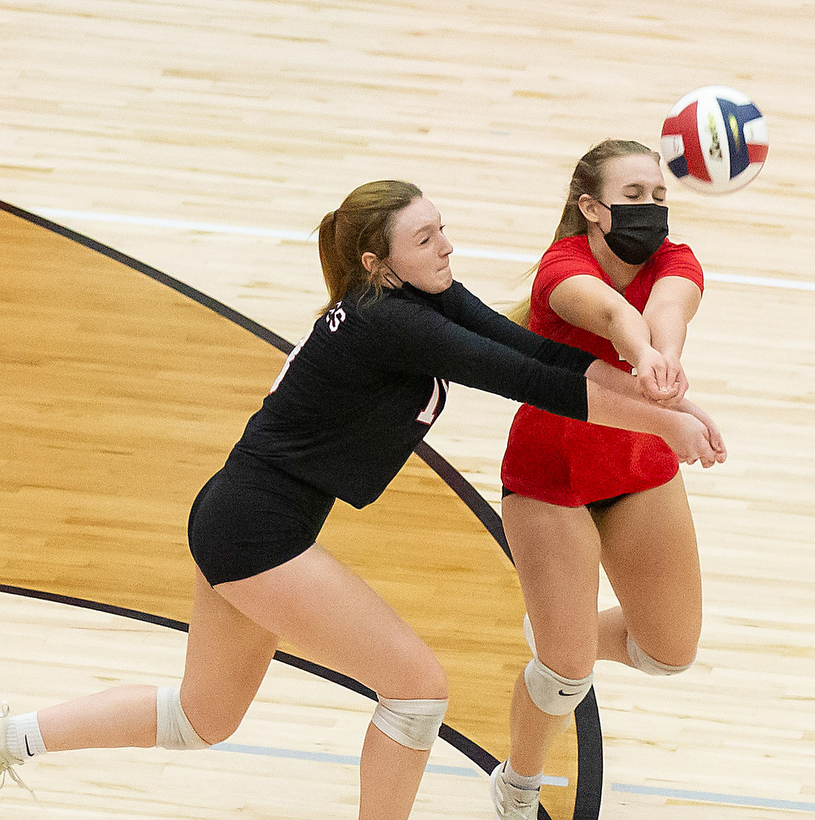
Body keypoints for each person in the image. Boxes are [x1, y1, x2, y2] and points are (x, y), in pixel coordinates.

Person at [1, 180, 720, 819]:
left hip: (241, 518)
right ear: (377, 264)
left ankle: (11, 739)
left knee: (199, 720)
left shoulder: (418, 296)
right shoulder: (390, 323)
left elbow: (543, 354)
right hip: (257, 532)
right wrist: (668, 424)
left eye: (442, 229)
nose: (446, 246)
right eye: (425, 238)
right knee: (415, 690)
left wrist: (676, 406)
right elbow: (536, 386)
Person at [491, 140, 727, 819]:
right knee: (565, 675)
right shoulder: (560, 268)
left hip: (637, 467)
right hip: (550, 478)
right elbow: (615, 316)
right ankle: (518, 785)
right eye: (634, 196)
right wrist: (645, 357)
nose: (651, 209)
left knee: (668, 653)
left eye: (658, 196)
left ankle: (558, 630)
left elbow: (665, 313)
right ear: (590, 208)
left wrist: (666, 359)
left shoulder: (675, 258)